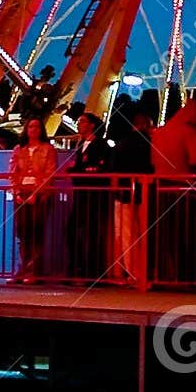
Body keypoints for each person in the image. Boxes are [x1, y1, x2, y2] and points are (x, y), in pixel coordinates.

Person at [150, 98, 196, 283]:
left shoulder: (158, 133)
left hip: (160, 188)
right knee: (185, 233)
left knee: (163, 234)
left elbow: (152, 162)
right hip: (183, 188)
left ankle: (162, 274)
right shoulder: (188, 132)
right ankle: (186, 276)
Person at [9, 117, 57, 283]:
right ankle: (22, 268)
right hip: (21, 192)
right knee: (22, 232)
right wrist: (16, 192)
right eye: (30, 126)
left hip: (40, 194)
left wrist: (36, 193)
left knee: (37, 231)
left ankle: (33, 270)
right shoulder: (18, 149)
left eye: (37, 126)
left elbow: (50, 173)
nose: (33, 129)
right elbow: (13, 173)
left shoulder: (48, 149)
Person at [67, 112, 112, 283]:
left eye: (82, 121)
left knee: (92, 234)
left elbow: (99, 169)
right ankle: (79, 266)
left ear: (92, 125)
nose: (79, 124)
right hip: (81, 194)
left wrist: (77, 170)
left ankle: (92, 271)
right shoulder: (81, 145)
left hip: (94, 196)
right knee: (73, 230)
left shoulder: (101, 145)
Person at [110, 105, 152, 284]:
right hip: (143, 192)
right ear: (144, 125)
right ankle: (140, 271)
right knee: (140, 233)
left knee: (125, 234)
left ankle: (128, 270)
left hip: (124, 192)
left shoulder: (122, 143)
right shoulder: (147, 143)